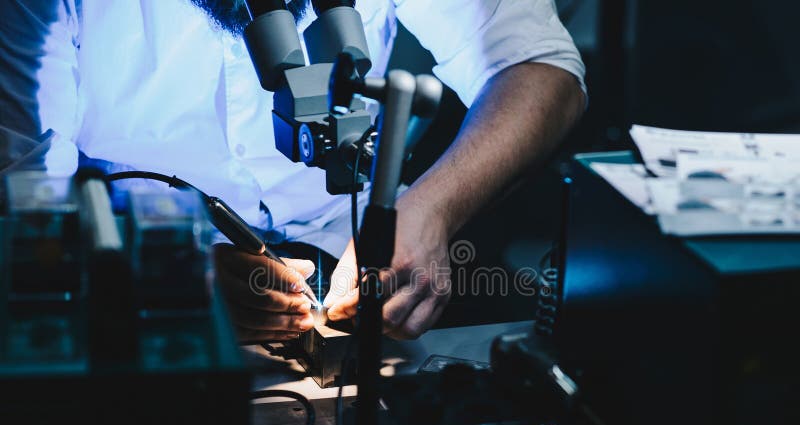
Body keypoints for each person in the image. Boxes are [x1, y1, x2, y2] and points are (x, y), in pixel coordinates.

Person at [0, 0, 585, 341]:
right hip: (122, 278)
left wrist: (431, 210)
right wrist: (156, 268)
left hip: (352, 257)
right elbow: (26, 192)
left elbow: (540, 69)